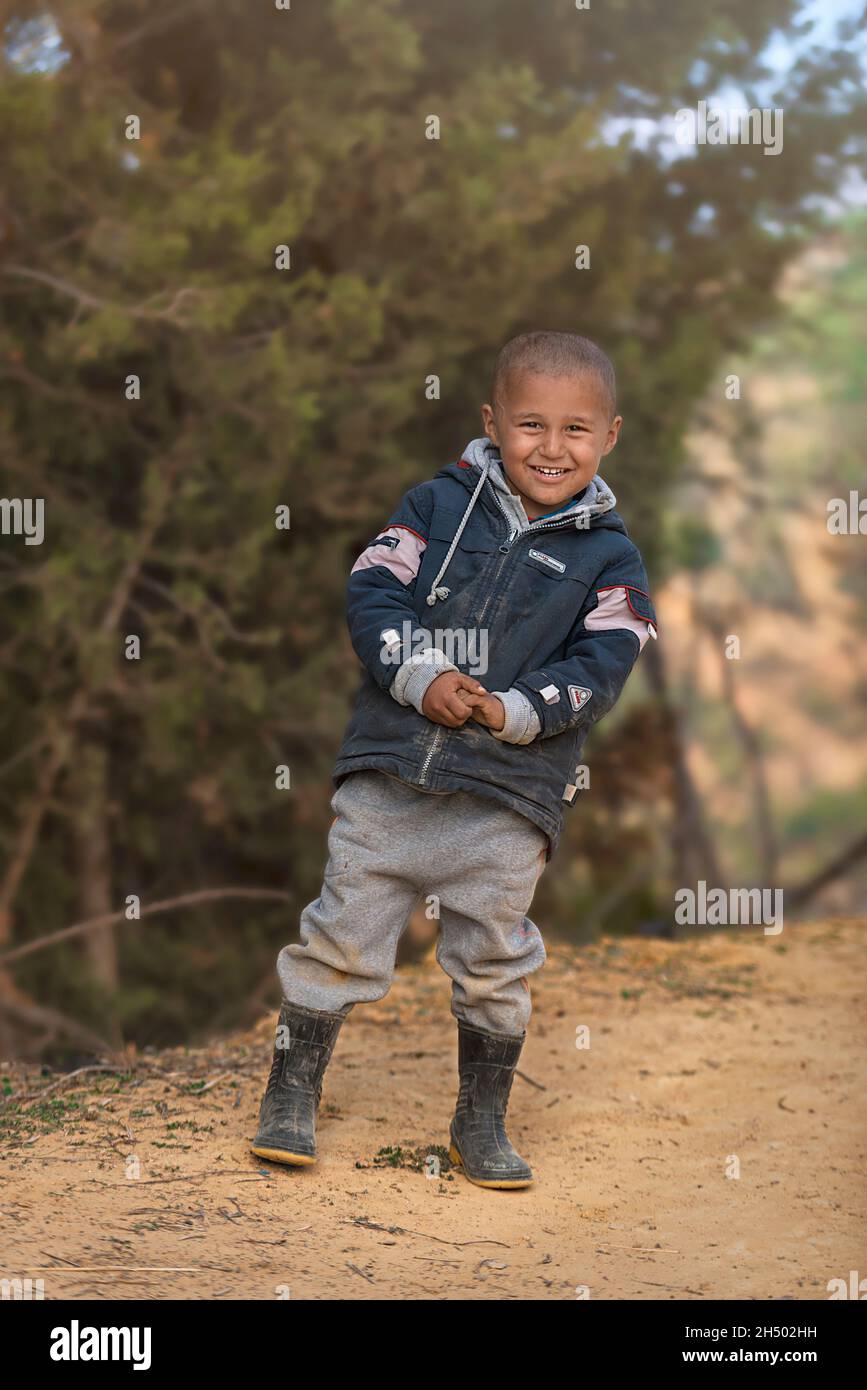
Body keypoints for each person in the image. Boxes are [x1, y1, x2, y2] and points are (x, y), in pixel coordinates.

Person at [251, 330, 657, 1188]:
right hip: (391, 777)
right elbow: (371, 591)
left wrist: (515, 711)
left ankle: (480, 1120)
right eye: (530, 425)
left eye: (575, 430)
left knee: (495, 962)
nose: (551, 448)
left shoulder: (610, 560)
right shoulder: (436, 506)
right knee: (339, 938)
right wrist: (419, 675)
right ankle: (290, 1095)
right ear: (491, 422)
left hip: (507, 800)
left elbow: (603, 666)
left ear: (610, 435)